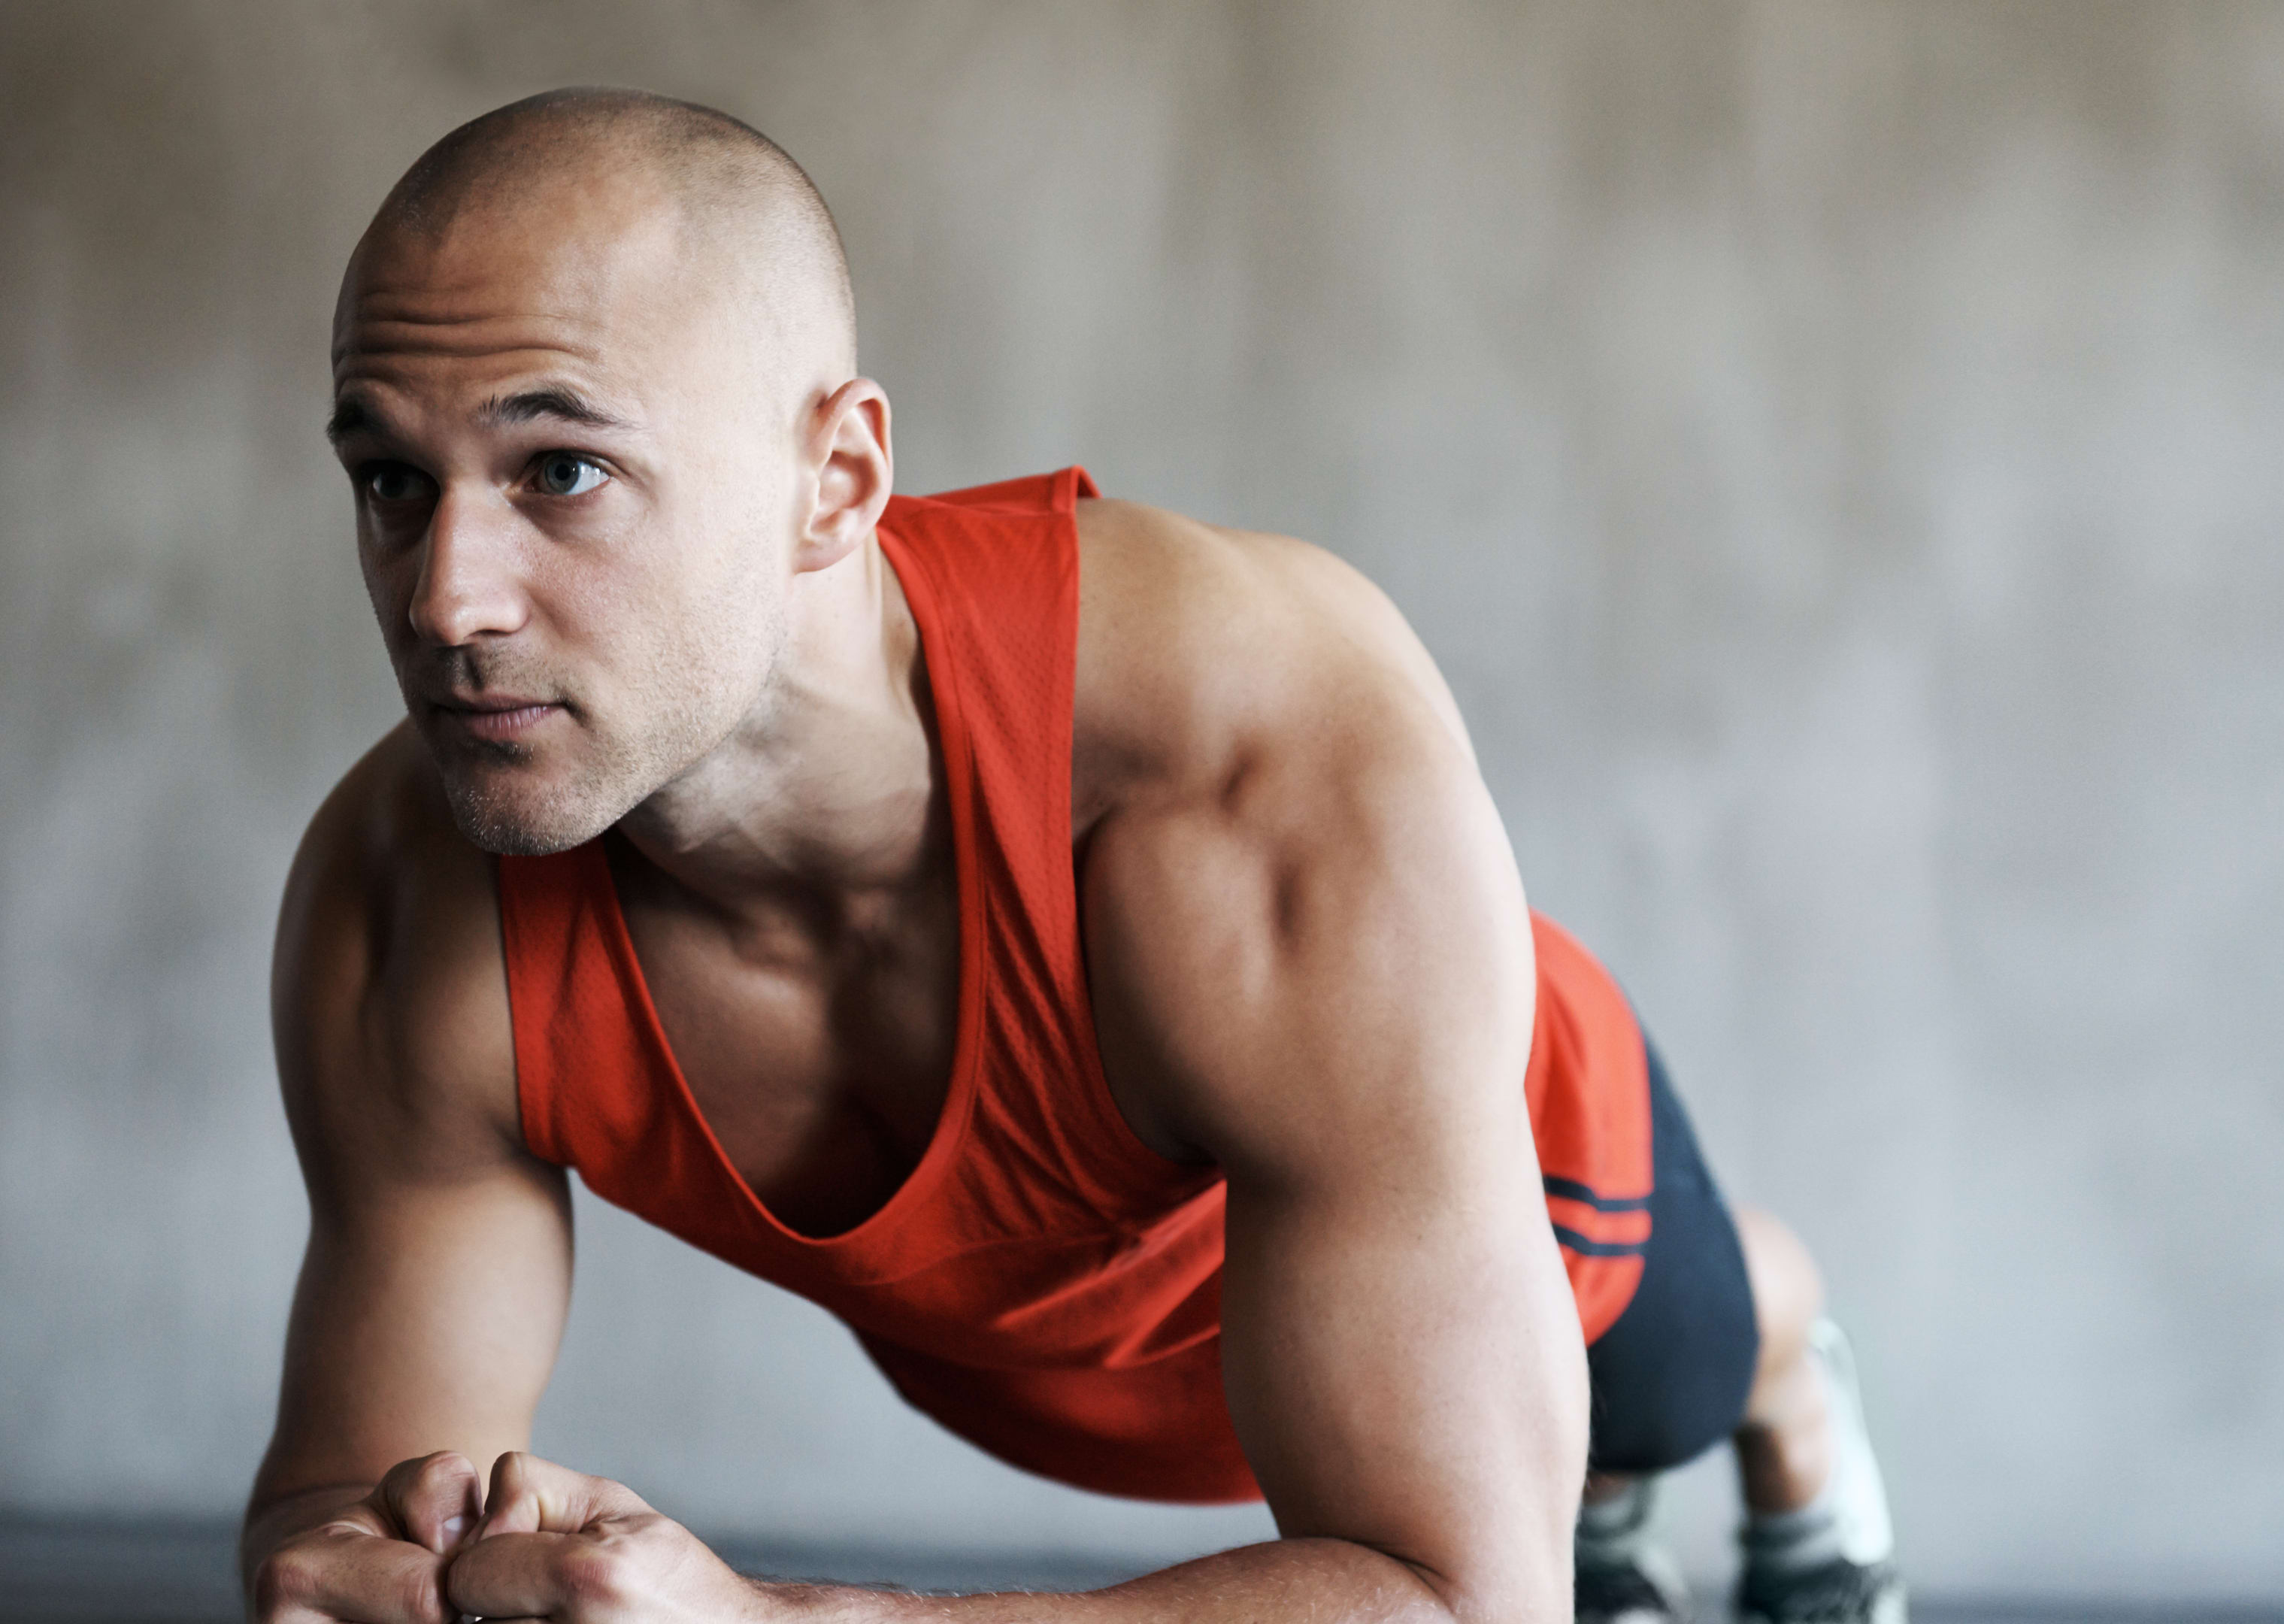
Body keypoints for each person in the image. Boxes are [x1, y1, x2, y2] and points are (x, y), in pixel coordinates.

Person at [244, 86, 1901, 1624]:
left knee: (1672, 1378)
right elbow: (336, 1505)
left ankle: (1780, 1381)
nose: (444, 600)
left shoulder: (1246, 749)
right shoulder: (404, 904)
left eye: (566, 471)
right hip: (1048, 1376)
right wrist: (394, 1575)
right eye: (393, 478)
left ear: (837, 480)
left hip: (1522, 1193)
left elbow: (1459, 1598)